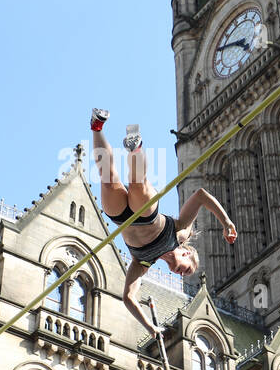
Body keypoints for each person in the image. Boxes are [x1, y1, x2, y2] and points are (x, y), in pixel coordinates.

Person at [90, 108, 237, 334]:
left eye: (183, 274)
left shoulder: (144, 263)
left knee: (108, 178)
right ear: (187, 253)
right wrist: (226, 222)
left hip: (121, 217)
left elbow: (128, 297)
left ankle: (97, 125)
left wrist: (150, 327)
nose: (180, 274)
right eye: (186, 271)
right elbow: (200, 195)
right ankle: (135, 146)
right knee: (138, 183)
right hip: (146, 213)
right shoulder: (181, 234)